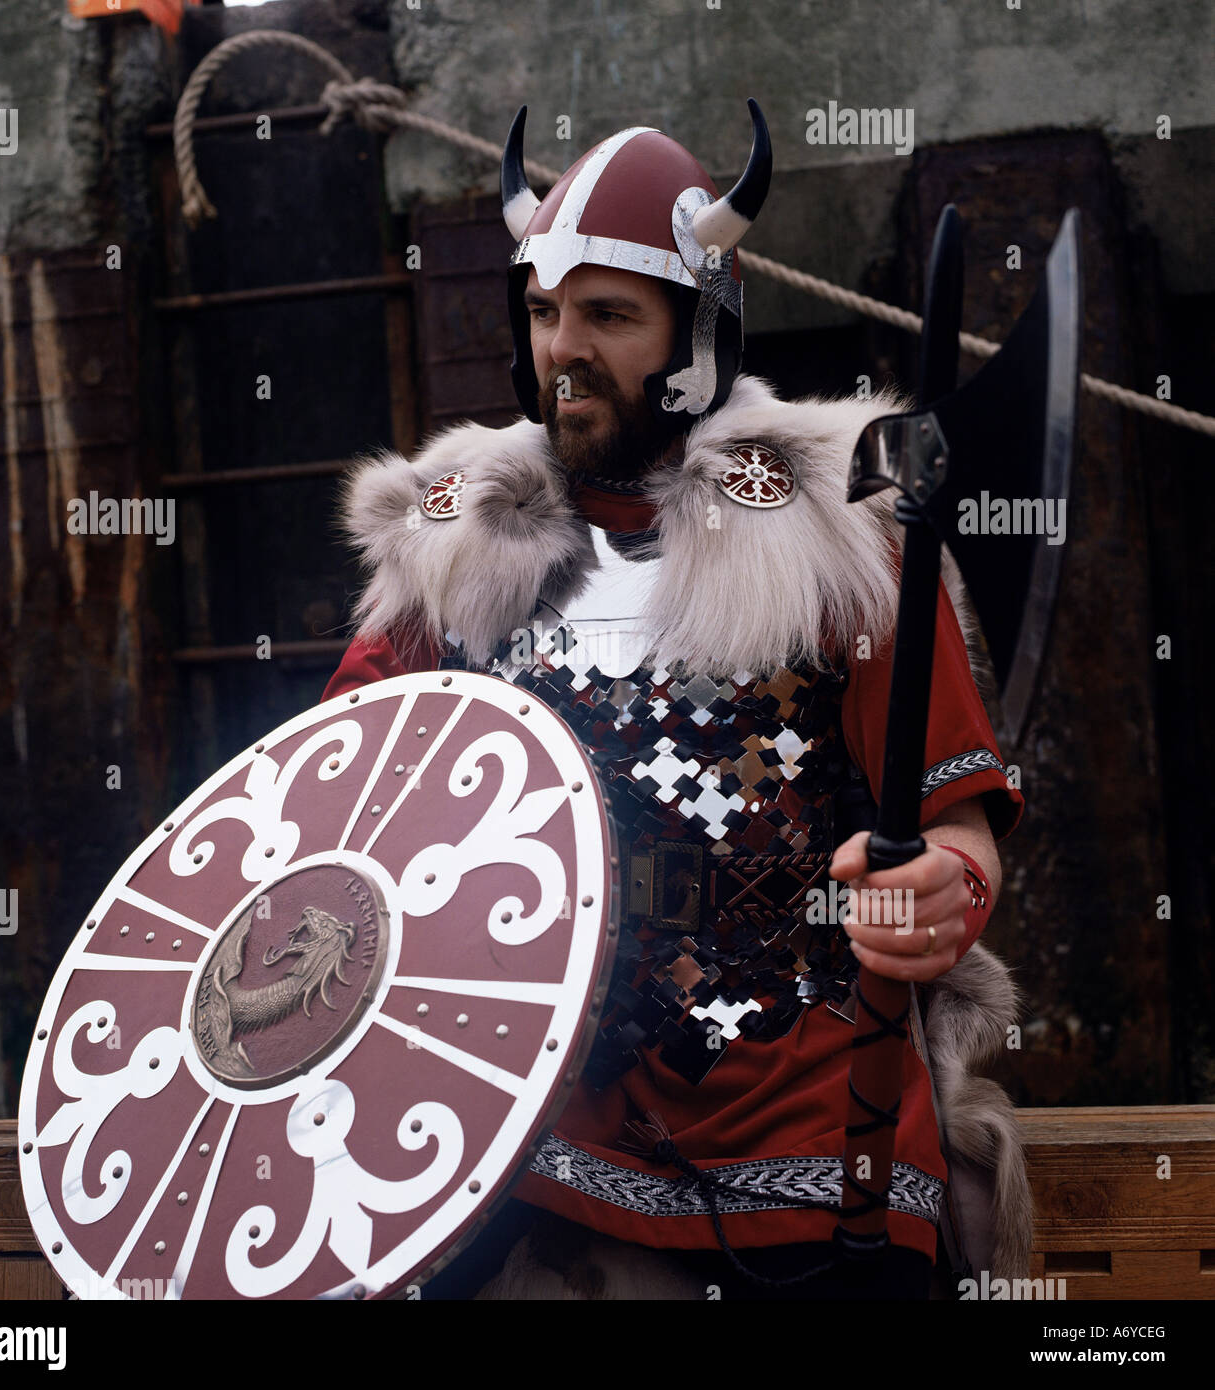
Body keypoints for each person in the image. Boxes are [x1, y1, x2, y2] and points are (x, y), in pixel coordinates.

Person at [321, 102, 1029, 1299]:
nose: (564, 349)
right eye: (546, 313)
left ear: (695, 332)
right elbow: (334, 804)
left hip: (805, 1125)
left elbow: (959, 828)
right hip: (520, 1127)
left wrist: (939, 895)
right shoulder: (450, 544)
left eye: (608, 315)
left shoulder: (839, 532)